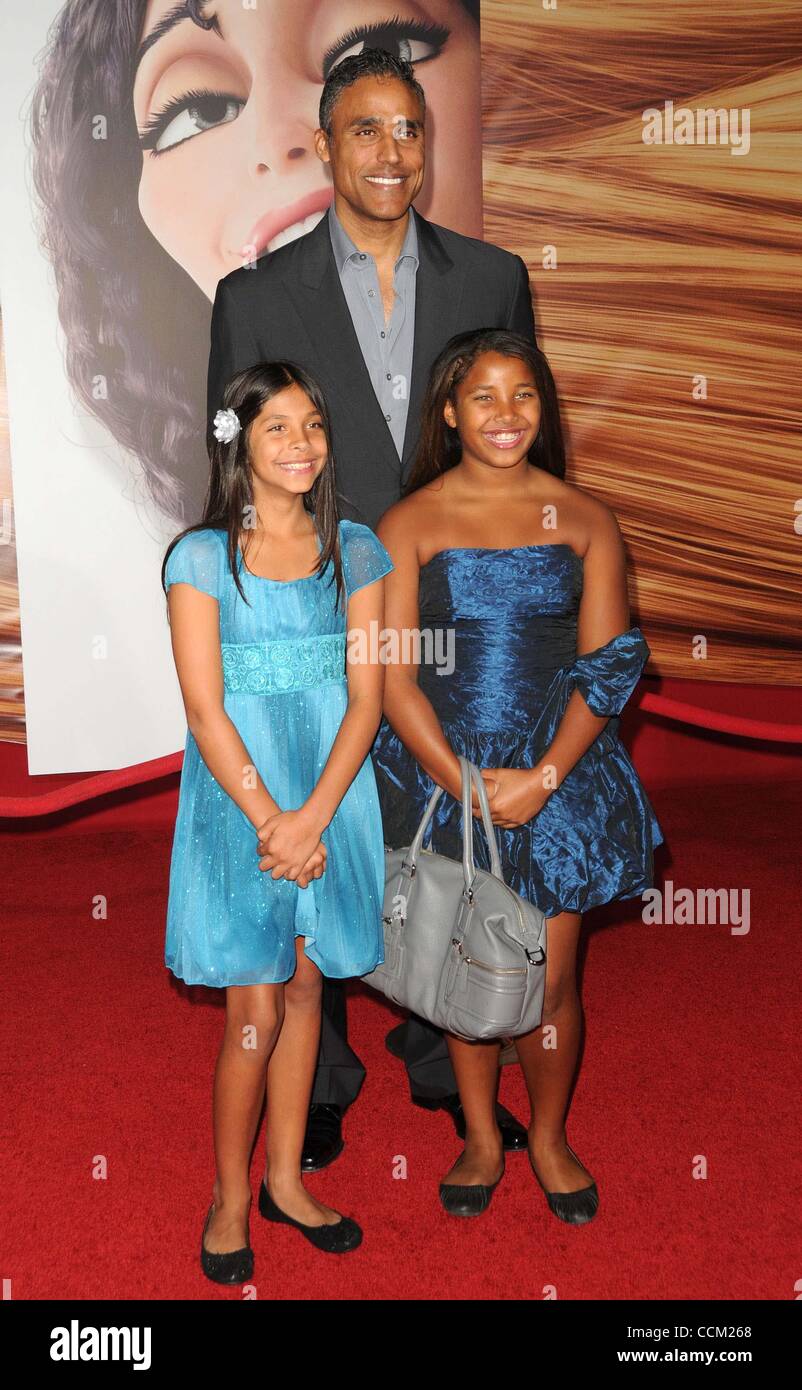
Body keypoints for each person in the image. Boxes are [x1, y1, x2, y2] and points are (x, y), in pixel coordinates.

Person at [207, 45, 537, 1170]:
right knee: (333, 823)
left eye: (410, 130)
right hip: (317, 614)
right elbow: (233, 474)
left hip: (457, 612)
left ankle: (449, 1049)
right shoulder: (255, 298)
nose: (392, 152)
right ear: (325, 145)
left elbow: (515, 450)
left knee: (446, 822)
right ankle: (328, 1072)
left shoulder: (492, 281)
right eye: (366, 130)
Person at [371, 328, 665, 1221]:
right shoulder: (410, 522)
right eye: (485, 397)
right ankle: (479, 1136)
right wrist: (459, 781)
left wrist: (541, 778)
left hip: (560, 779)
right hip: (441, 769)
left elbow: (608, 668)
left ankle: (546, 1135)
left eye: (524, 395)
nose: (507, 415)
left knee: (548, 980)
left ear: (544, 407)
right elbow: (391, 677)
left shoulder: (583, 519)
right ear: (450, 413)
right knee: (466, 952)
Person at [161, 361, 393, 1283]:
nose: (301, 445)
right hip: (240, 804)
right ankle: (228, 1194)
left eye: (313, 426)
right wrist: (273, 821)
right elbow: (205, 710)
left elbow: (369, 699)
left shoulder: (359, 550)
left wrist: (315, 817)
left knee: (307, 993)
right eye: (276, 430)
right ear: (238, 446)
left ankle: (287, 1182)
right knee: (252, 1006)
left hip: (332, 796)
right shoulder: (200, 558)